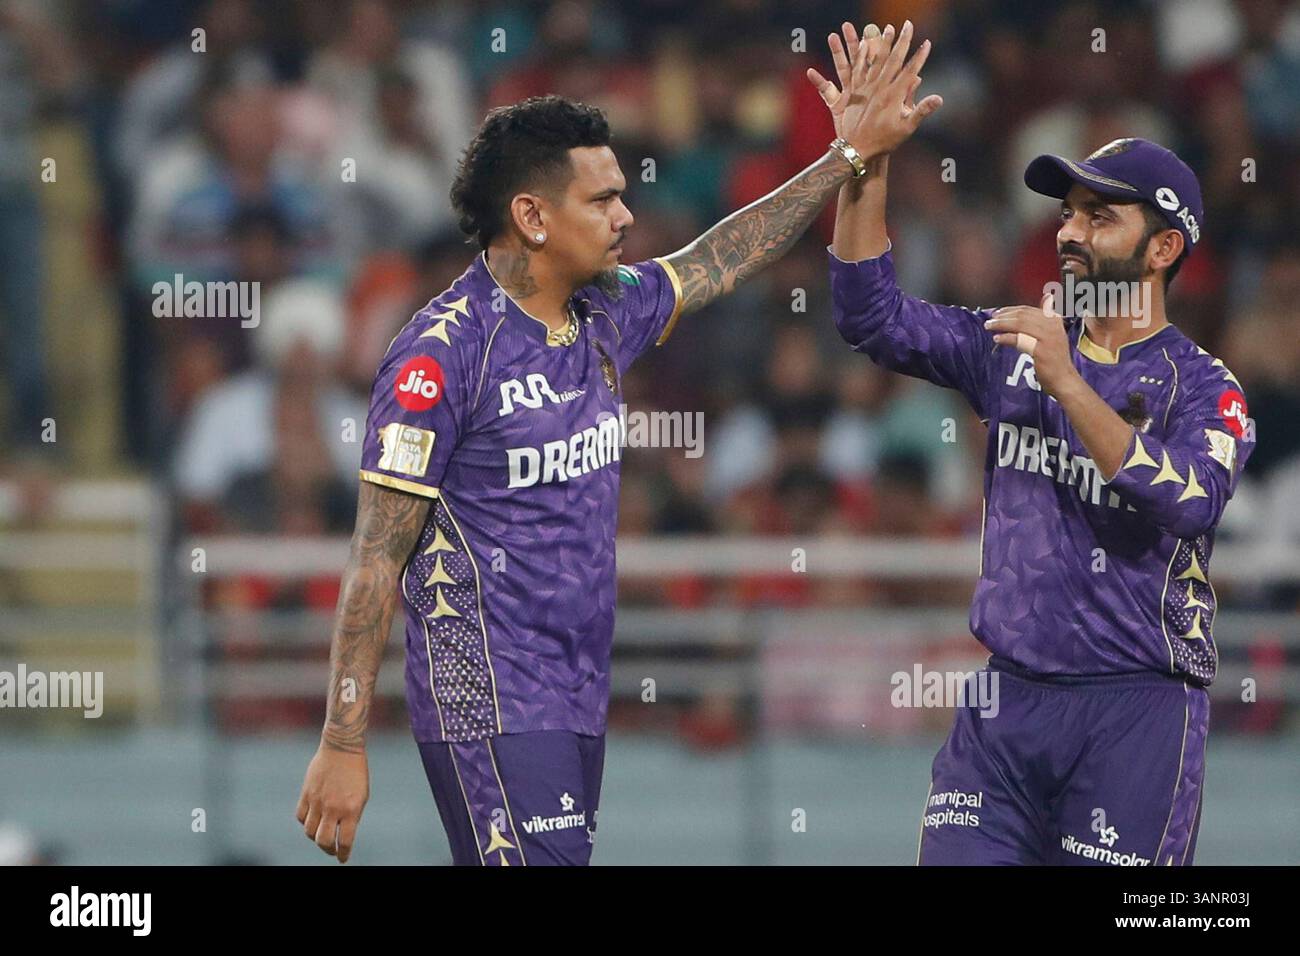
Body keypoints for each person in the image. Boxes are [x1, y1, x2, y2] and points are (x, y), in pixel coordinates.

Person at [296, 26, 942, 865]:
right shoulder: (440, 357)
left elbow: (719, 257)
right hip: (488, 695)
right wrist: (342, 741)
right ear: (531, 216)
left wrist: (844, 156)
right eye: (601, 199)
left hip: (576, 687)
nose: (626, 215)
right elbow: (376, 557)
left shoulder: (605, 310)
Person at [817, 23, 1255, 865]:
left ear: (1164, 248)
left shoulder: (1209, 389)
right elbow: (870, 317)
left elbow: (1191, 499)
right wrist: (862, 162)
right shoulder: (1015, 343)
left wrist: (1068, 382)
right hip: (1004, 706)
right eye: (1067, 213)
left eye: (1100, 216)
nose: (1069, 233)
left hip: (1137, 712)